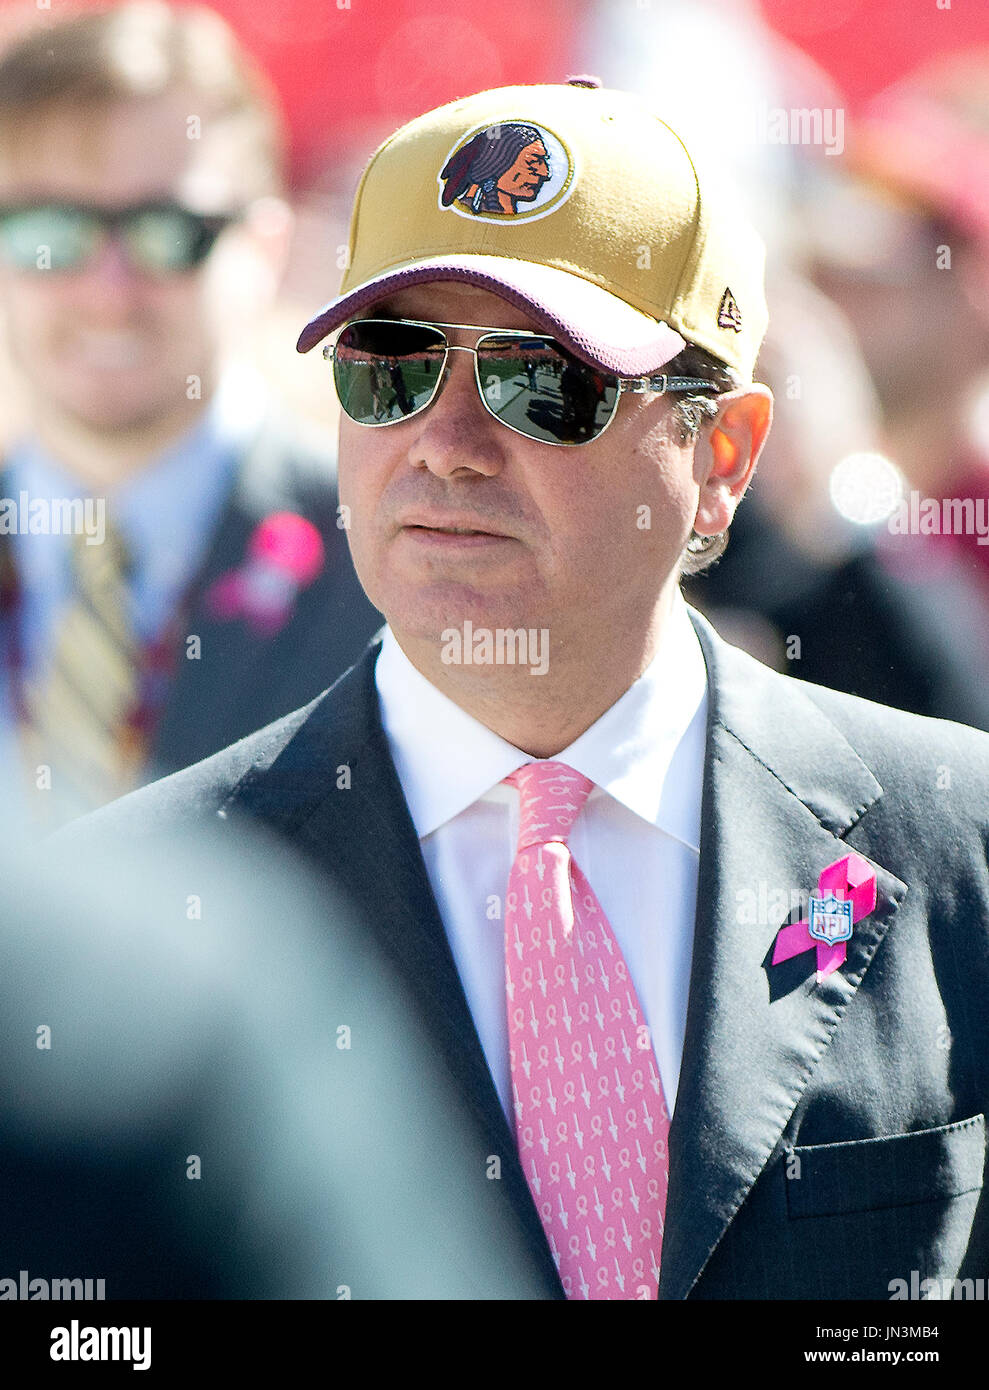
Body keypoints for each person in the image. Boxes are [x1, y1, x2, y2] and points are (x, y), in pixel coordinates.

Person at [53, 78, 989, 1300]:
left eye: (538, 377)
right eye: (388, 365)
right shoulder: (157, 905)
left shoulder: (955, 842)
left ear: (721, 458)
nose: (443, 440)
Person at [0, 3, 381, 827]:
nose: (107, 290)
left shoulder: (394, 561)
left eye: (168, 232)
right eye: (46, 231)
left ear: (268, 248)